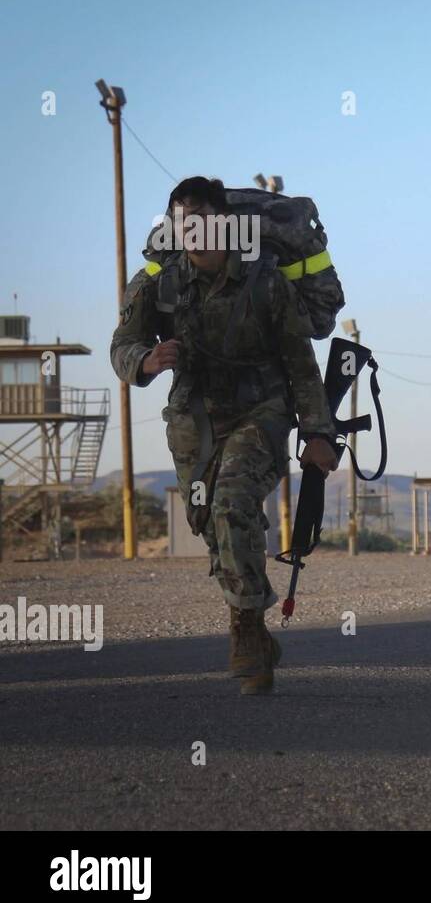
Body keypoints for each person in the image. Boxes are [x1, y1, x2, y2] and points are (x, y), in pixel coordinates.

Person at [111, 176, 339, 695]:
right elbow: (123, 341)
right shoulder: (161, 284)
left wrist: (318, 432)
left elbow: (299, 363)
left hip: (262, 408)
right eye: (182, 223)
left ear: (227, 224)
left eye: (204, 221)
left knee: (233, 501)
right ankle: (256, 624)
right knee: (209, 522)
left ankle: (242, 633)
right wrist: (143, 360)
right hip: (194, 415)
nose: (194, 232)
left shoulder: (264, 281)